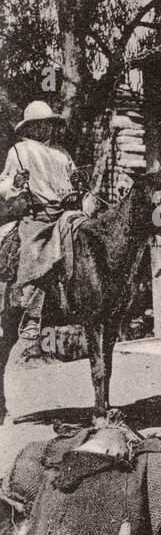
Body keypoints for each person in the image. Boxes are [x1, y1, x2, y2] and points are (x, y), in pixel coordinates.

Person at [0, 101, 78, 358]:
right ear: (30, 128)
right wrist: (17, 184)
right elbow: (7, 186)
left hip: (67, 212)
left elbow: (74, 182)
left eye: (49, 124)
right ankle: (31, 313)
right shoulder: (19, 151)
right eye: (40, 125)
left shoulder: (62, 153)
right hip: (39, 215)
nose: (45, 129)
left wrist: (78, 187)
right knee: (34, 253)